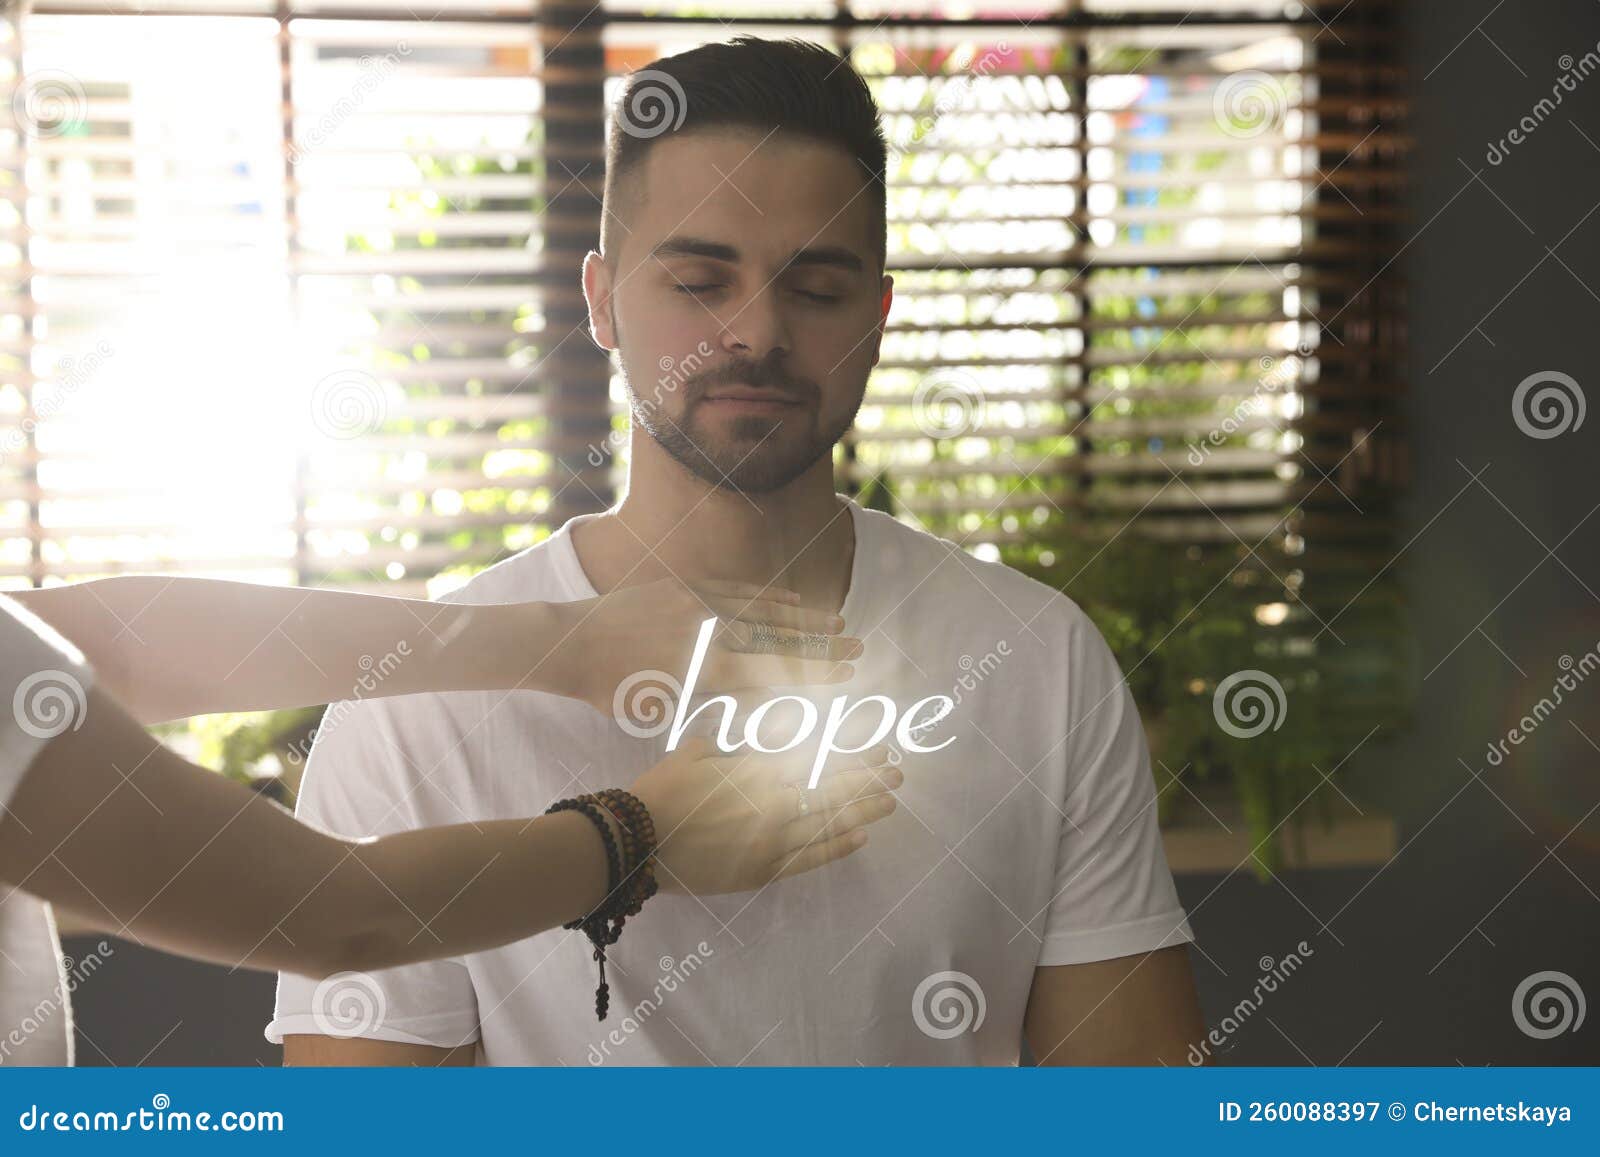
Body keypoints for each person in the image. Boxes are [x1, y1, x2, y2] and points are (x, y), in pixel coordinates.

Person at [271, 35, 1206, 1068]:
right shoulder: (414, 707)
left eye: (817, 289)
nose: (756, 331)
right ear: (601, 300)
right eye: (698, 281)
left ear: (879, 316)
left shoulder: (1037, 659)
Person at [0, 577, 898, 1065]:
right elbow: (335, 912)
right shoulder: (391, 748)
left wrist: (567, 640)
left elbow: (98, 646)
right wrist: (635, 836)